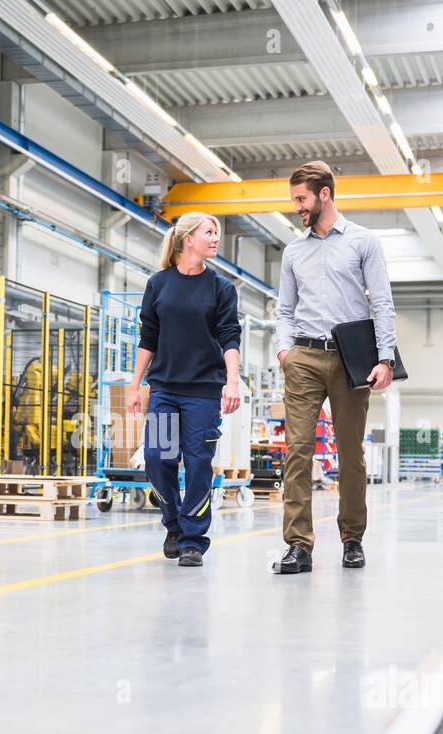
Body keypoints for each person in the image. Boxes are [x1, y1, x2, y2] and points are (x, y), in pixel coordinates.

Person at [272, 160, 397, 575]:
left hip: (351, 359)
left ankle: (352, 540)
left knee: (350, 455)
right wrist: (285, 350)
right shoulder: (293, 250)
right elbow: (284, 309)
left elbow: (380, 301)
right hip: (304, 357)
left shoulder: (364, 242)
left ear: (324, 194)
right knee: (297, 452)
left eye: (301, 198)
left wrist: (385, 358)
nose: (297, 207)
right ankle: (298, 545)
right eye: (294, 199)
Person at [126, 211, 242, 568]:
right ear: (187, 239)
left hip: (204, 393)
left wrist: (233, 380)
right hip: (164, 390)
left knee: (198, 463)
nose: (215, 238)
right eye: (209, 231)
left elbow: (229, 336)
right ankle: (173, 524)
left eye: (217, 232)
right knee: (158, 460)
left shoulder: (221, 288)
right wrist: (135, 385)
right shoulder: (158, 284)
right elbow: (149, 337)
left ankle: (193, 540)